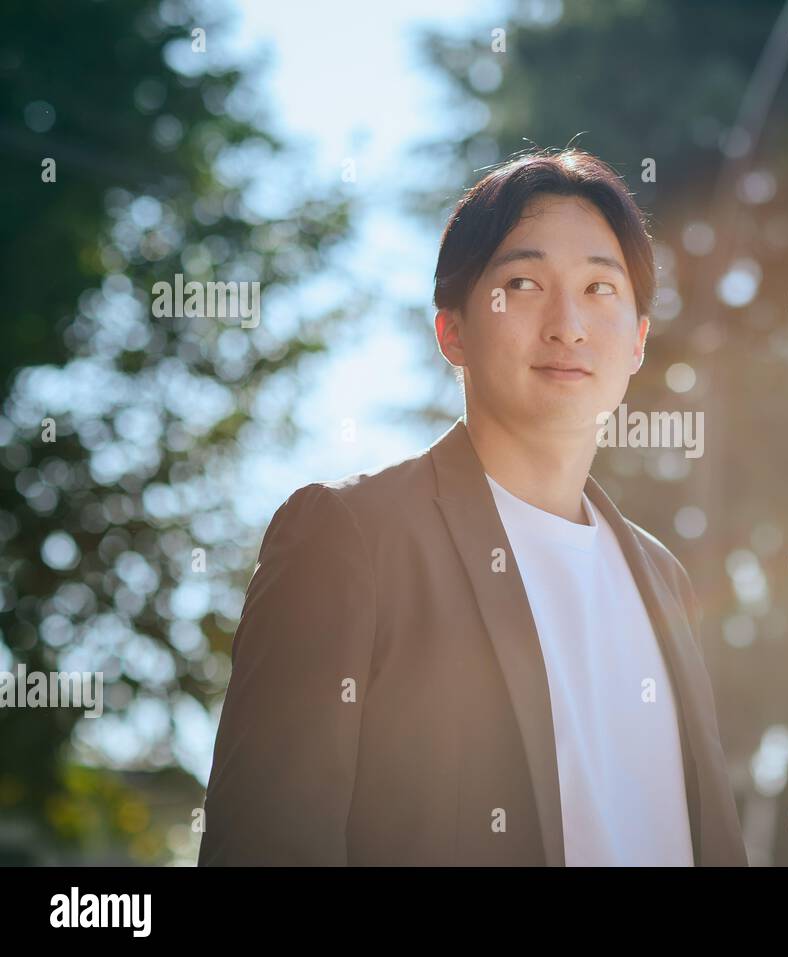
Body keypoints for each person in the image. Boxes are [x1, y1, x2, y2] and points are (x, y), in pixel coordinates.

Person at [198, 147, 748, 866]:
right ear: (452, 329)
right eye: (523, 283)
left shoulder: (666, 580)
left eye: (600, 289)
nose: (568, 325)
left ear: (639, 341)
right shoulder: (351, 539)